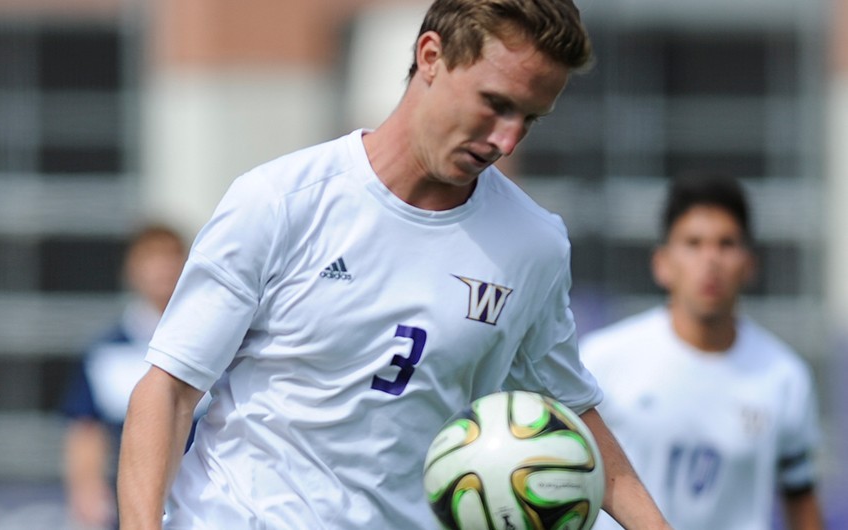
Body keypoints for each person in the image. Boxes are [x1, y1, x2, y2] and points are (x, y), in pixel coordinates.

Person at [117, 1, 671, 528]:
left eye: (530, 118)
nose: (506, 139)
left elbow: (572, 420)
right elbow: (169, 391)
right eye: (495, 103)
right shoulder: (282, 201)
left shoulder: (534, 244)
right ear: (431, 56)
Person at [580, 175, 825, 530]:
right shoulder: (603, 359)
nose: (711, 260)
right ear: (662, 263)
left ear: (750, 264)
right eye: (693, 243)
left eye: (726, 244)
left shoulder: (784, 376)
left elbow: (801, 497)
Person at [61, 223, 203, 529]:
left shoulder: (217, 345)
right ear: (132, 268)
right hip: (132, 510)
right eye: (151, 257)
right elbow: (86, 428)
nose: (163, 268)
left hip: (208, 507)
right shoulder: (105, 352)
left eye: (171, 256)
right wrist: (86, 489)